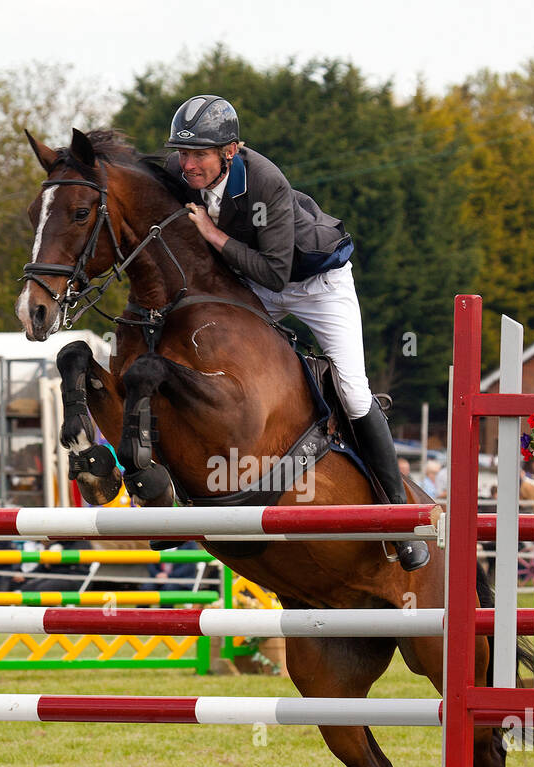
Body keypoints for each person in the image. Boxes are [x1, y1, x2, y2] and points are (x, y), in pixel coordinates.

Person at [164, 94, 428, 572]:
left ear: (231, 150)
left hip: (315, 286)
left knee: (352, 391)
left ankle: (399, 516)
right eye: (183, 154)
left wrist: (212, 234)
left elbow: (274, 272)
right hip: (258, 282)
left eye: (198, 154)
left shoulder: (266, 182)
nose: (187, 165)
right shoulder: (185, 168)